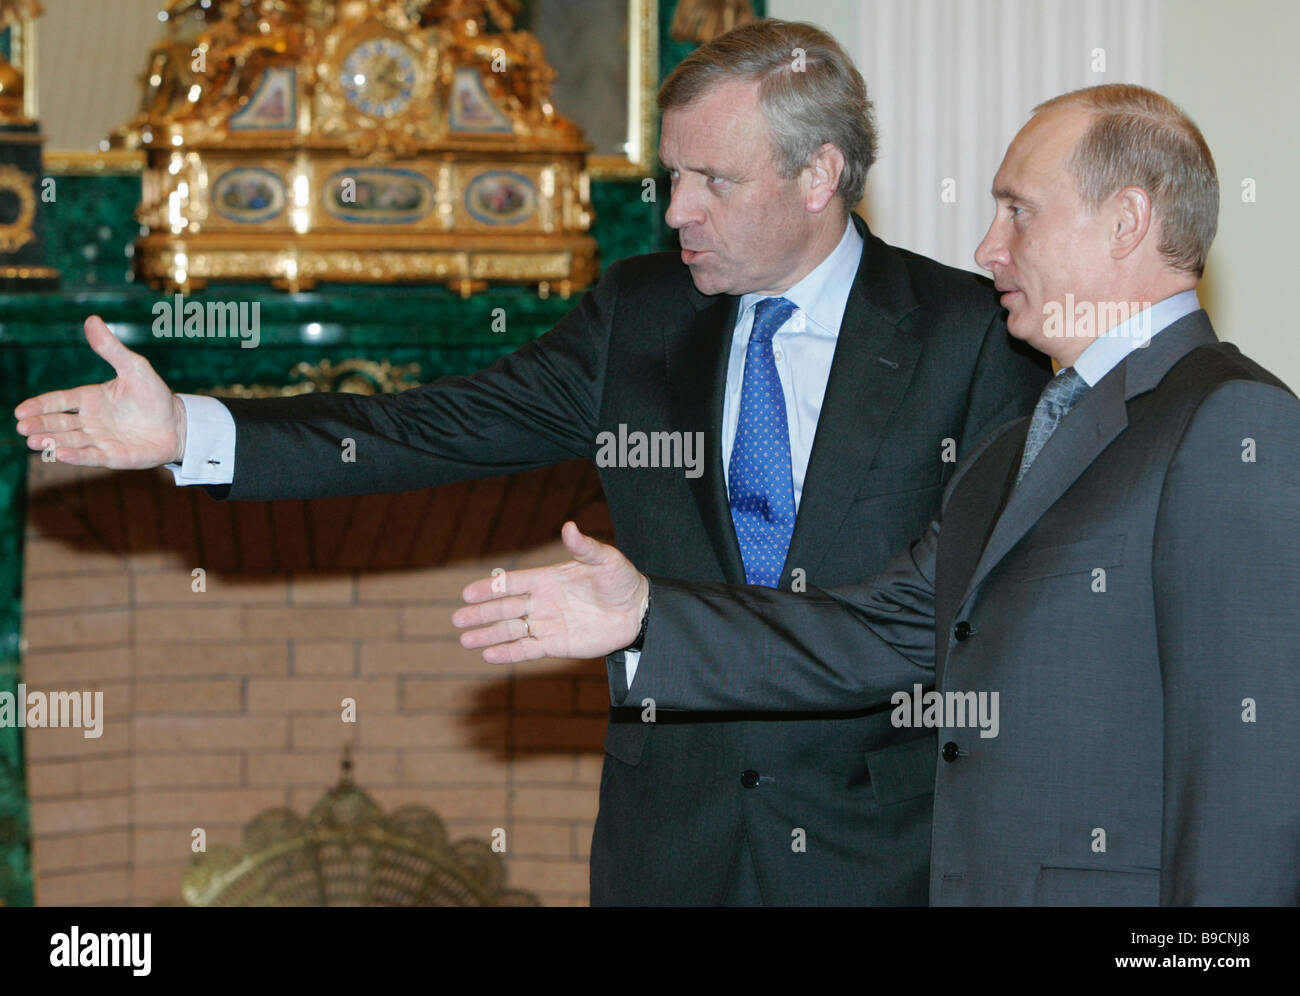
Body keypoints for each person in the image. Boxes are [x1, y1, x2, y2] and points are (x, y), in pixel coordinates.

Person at [14, 20, 1047, 905]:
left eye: (711, 181)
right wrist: (191, 430)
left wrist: (655, 616)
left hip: (878, 851)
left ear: (817, 173)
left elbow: (942, 623)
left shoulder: (971, 337)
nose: (677, 209)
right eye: (670, 174)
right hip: (664, 846)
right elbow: (431, 426)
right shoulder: (640, 315)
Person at [453, 83, 1300, 905]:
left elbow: (1252, 775)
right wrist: (645, 617)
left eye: (1019, 212)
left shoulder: (1229, 419)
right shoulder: (1021, 442)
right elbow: (872, 630)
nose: (987, 249)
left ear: (1127, 222)